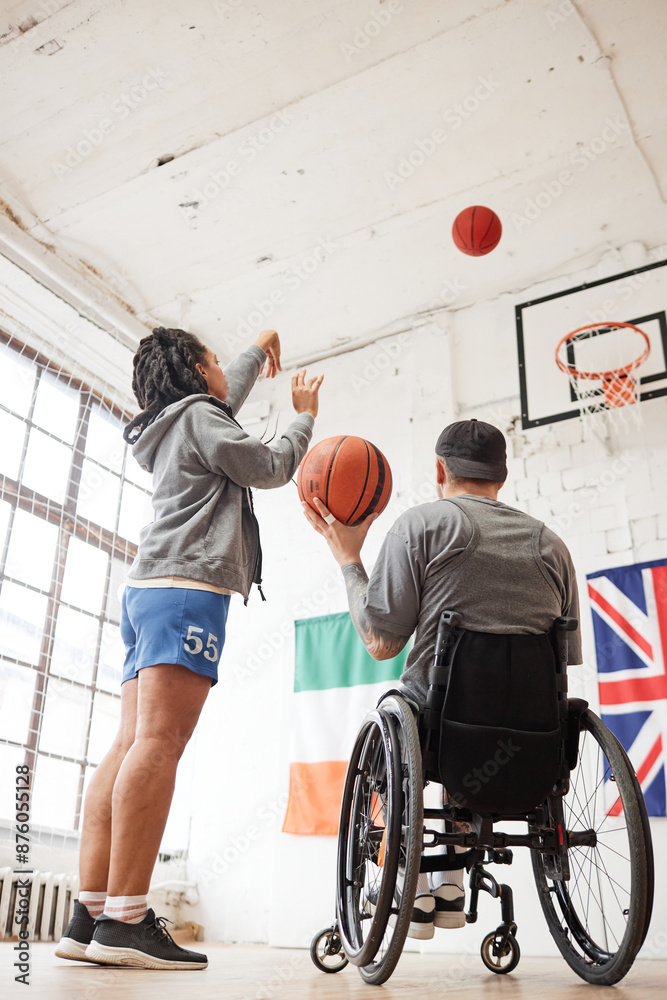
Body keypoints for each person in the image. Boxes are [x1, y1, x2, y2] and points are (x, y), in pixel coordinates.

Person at [56, 326, 323, 970]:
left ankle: (89, 916)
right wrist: (304, 418)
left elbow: (222, 390)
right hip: (187, 591)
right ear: (198, 375)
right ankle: (125, 922)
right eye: (212, 359)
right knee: (159, 744)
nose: (219, 367)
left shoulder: (178, 420)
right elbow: (268, 467)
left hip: (146, 590)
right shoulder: (204, 416)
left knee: (129, 744)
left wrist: (257, 353)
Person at [302, 417, 582, 940]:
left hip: (440, 726)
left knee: (409, 711)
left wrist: (348, 559)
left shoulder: (422, 525)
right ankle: (450, 884)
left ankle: (399, 877)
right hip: (535, 735)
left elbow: (381, 642)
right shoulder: (554, 547)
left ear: (439, 469)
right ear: (502, 475)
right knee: (471, 723)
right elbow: (562, 659)